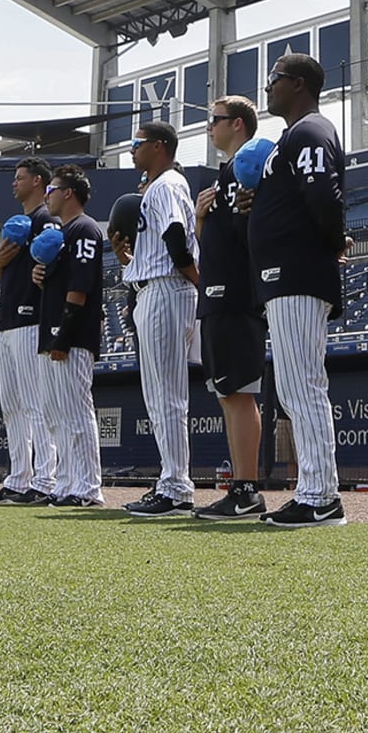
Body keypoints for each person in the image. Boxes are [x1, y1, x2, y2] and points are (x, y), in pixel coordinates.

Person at [242, 51, 349, 528]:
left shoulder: (310, 130)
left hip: (299, 273)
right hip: (285, 276)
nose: (267, 87)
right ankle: (313, 490)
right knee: (294, 386)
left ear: (299, 84)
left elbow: (323, 195)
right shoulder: (290, 137)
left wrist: (328, 243)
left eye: (274, 79)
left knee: (302, 385)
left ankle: (321, 496)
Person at [193, 95, 271, 522]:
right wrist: (203, 220)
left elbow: (252, 234)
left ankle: (247, 488)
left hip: (238, 294)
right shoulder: (223, 176)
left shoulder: (254, 163)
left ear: (238, 124)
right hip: (217, 293)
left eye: (216, 120)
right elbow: (215, 244)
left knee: (239, 392)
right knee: (228, 394)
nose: (210, 127)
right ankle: (240, 486)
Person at [118, 121, 202, 518]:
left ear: (159, 146)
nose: (133, 149)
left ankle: (175, 487)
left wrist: (193, 276)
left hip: (167, 289)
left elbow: (175, 233)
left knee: (166, 394)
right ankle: (173, 482)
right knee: (163, 394)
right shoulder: (160, 185)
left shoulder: (166, 183)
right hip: (158, 287)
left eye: (138, 143)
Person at [36, 165, 108, 508]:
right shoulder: (63, 232)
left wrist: (63, 336)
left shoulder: (83, 229)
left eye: (51, 189)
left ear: (68, 193)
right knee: (59, 415)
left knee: (77, 412)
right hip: (55, 332)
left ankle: (87, 488)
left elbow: (80, 287)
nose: (47, 196)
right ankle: (67, 483)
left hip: (74, 335)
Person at [0, 159, 59, 505]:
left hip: (33, 321)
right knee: (12, 406)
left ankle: (45, 479)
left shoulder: (46, 220)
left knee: (36, 405)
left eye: (19, 178)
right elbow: (9, 277)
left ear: (37, 181)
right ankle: (19, 478)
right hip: (9, 322)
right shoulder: (17, 224)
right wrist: (0, 266)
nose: (14, 184)